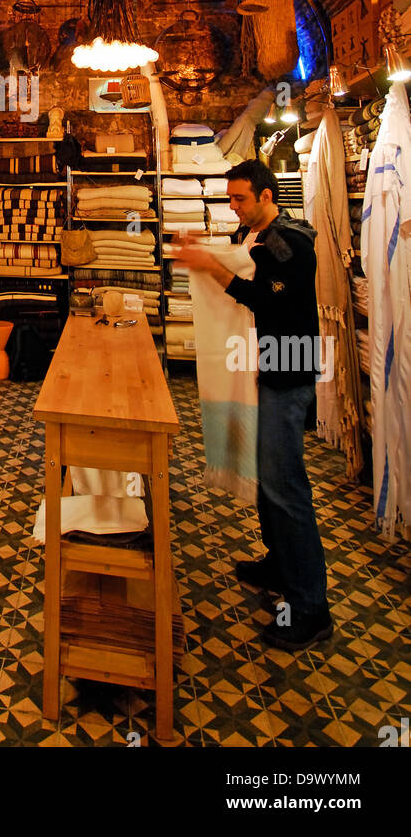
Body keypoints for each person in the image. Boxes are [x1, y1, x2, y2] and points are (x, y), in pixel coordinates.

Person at [174, 159, 332, 651]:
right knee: (269, 480)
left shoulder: (290, 243)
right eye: (230, 198)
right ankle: (279, 564)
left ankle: (311, 608)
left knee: (286, 487)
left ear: (266, 196)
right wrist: (207, 254)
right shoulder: (255, 236)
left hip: (287, 375)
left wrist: (209, 266)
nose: (233, 206)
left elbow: (264, 299)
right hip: (266, 372)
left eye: (240, 198)